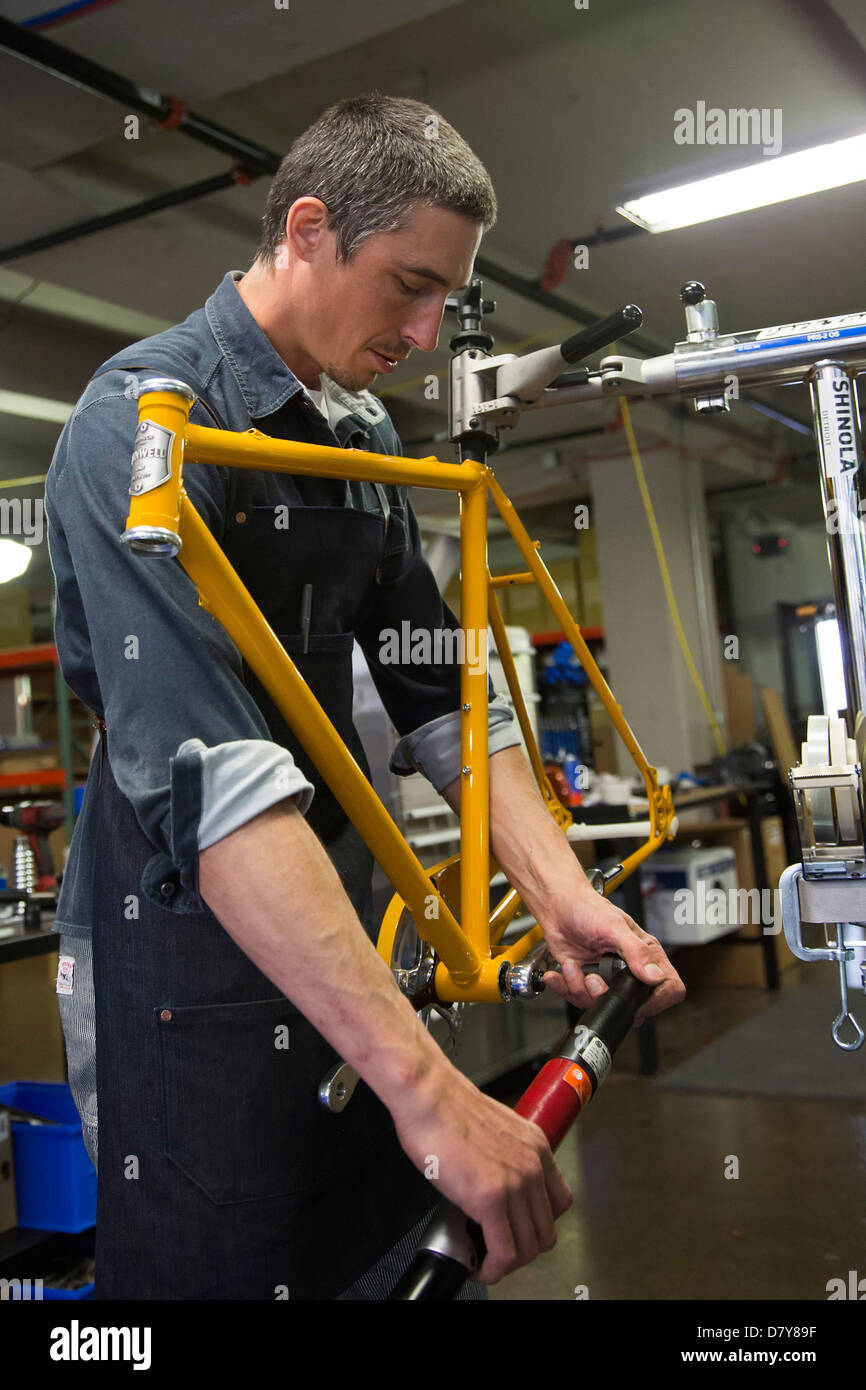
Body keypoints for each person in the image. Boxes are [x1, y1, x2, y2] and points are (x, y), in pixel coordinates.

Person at [45, 92, 684, 1301]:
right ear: (305, 228)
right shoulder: (141, 423)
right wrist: (434, 1093)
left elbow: (444, 700)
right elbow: (217, 787)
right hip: (187, 967)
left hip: (330, 945)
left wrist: (558, 896)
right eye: (408, 284)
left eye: (447, 295)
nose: (431, 329)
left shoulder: (357, 440)